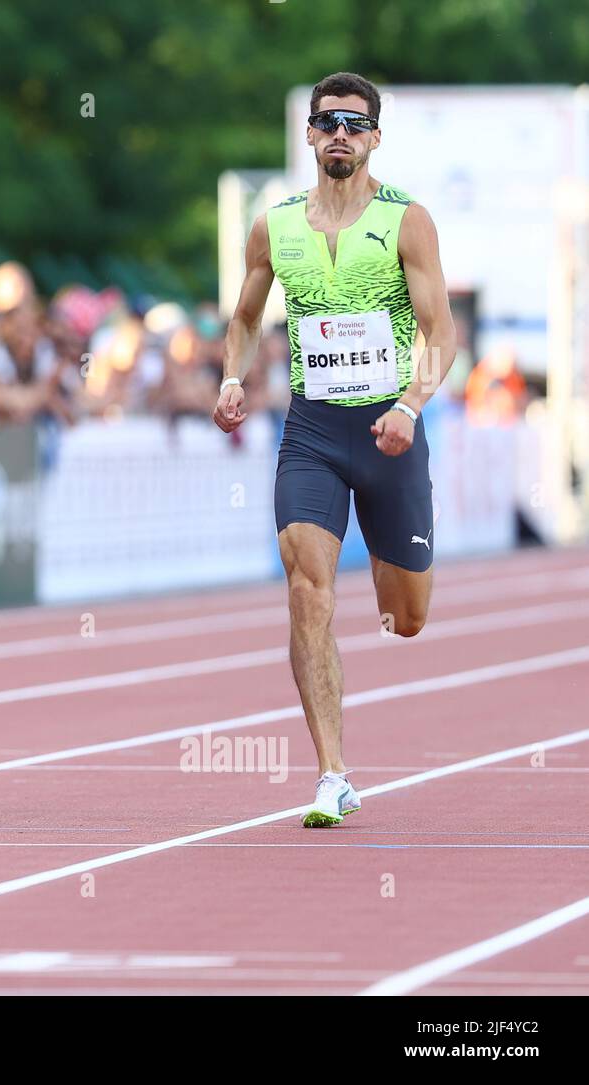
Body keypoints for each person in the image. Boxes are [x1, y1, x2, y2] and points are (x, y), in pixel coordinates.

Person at [212, 72, 457, 827]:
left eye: (356, 123)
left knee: (405, 616)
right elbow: (247, 315)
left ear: (375, 137)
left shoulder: (406, 220)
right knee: (306, 586)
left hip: (389, 432)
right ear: (310, 136)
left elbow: (440, 334)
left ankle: (404, 553)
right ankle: (331, 774)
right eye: (329, 123)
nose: (341, 134)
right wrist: (231, 376)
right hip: (313, 430)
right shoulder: (274, 225)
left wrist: (410, 405)